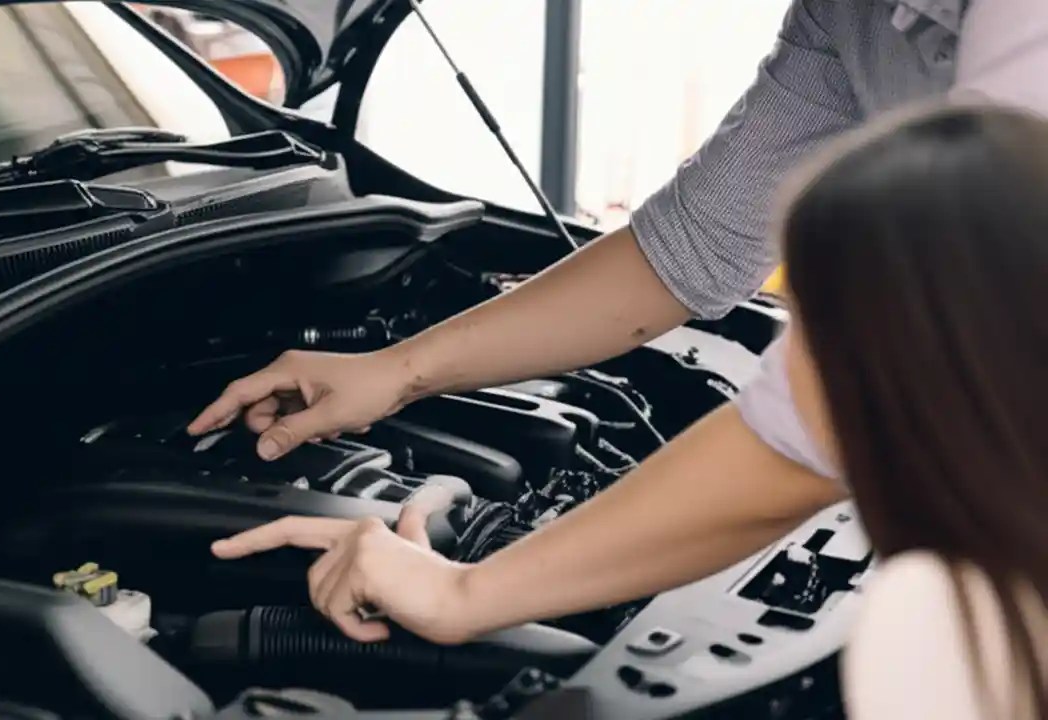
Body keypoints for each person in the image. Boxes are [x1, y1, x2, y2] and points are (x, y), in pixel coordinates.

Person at [212, 104, 1048, 718]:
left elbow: (796, 437)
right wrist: (397, 372)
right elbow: (700, 242)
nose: (794, 371)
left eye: (824, 343)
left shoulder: (947, 654)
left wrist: (467, 596)